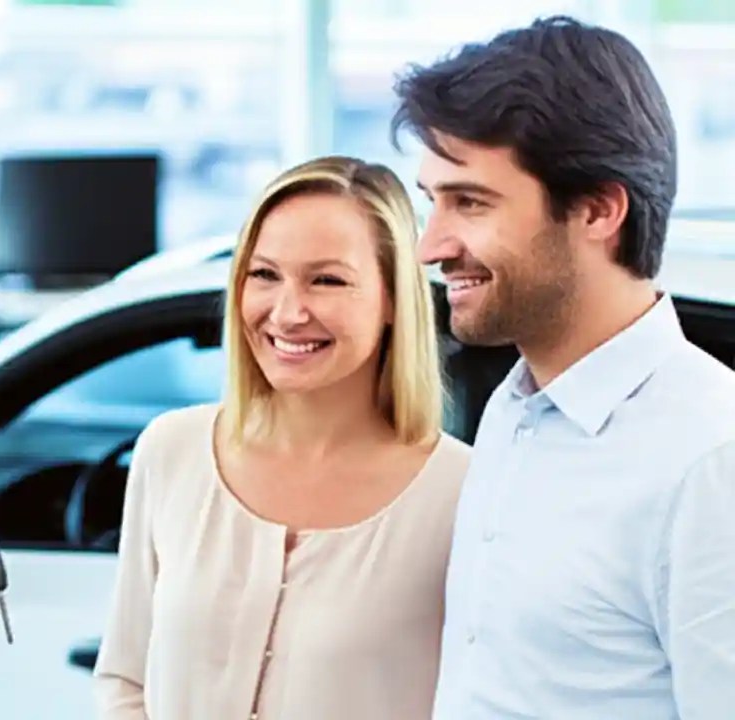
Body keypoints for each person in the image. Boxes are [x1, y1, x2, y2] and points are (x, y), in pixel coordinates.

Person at [392, 15, 735, 719]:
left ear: (598, 210)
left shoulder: (712, 460)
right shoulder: (513, 409)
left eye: (470, 202)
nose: (430, 246)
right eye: (433, 202)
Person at [91, 155, 472, 719]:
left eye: (327, 280)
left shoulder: (463, 492)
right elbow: (124, 679)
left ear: (394, 298)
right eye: (265, 274)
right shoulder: (170, 450)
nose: (288, 313)